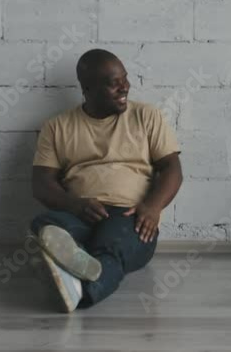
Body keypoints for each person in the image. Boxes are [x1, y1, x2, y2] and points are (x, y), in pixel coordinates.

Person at [28, 49, 183, 312]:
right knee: (44, 224)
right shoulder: (57, 127)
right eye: (114, 83)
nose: (125, 87)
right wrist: (75, 205)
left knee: (111, 245)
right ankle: (75, 260)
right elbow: (41, 183)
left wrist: (153, 206)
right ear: (87, 88)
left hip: (130, 216)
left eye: (125, 78)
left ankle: (79, 288)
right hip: (81, 214)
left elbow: (172, 168)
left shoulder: (146, 116)